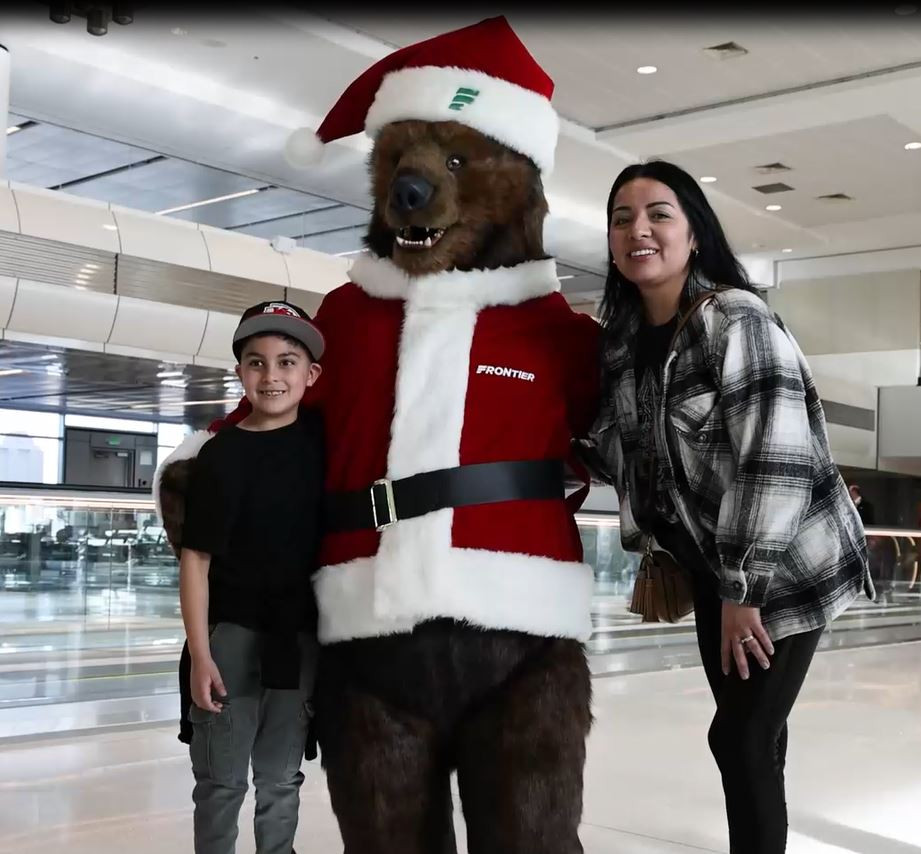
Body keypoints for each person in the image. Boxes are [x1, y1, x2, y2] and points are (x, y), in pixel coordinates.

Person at [590, 160, 873, 854]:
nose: (638, 229)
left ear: (693, 233)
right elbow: (629, 454)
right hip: (716, 570)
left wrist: (744, 588)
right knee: (752, 736)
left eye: (658, 213)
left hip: (782, 569)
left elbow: (773, 455)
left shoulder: (733, 318)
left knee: (739, 736)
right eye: (621, 217)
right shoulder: (625, 346)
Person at [175, 300, 325, 854]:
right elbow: (197, 560)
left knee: (281, 781)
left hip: (298, 640)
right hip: (230, 640)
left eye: (287, 362)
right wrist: (201, 655)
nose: (271, 375)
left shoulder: (323, 448)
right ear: (239, 372)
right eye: (256, 362)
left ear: (311, 375)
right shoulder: (220, 456)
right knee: (221, 783)